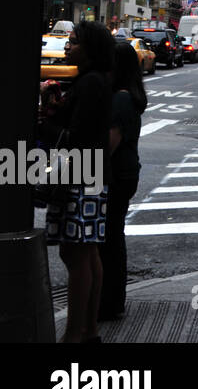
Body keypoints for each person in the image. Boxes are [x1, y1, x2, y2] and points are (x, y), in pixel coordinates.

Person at [40, 20, 115, 342]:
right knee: (86, 252)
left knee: (76, 254)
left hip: (79, 175)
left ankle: (75, 333)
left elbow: (77, 136)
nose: (67, 47)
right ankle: (88, 330)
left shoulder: (90, 83)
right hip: (89, 174)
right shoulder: (93, 81)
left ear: (91, 49)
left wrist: (45, 124)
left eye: (74, 42)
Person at [99, 41, 145, 322]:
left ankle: (111, 300)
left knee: (110, 240)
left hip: (117, 175)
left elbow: (109, 145)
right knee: (114, 237)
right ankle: (114, 299)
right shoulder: (130, 96)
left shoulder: (120, 100)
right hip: (127, 173)